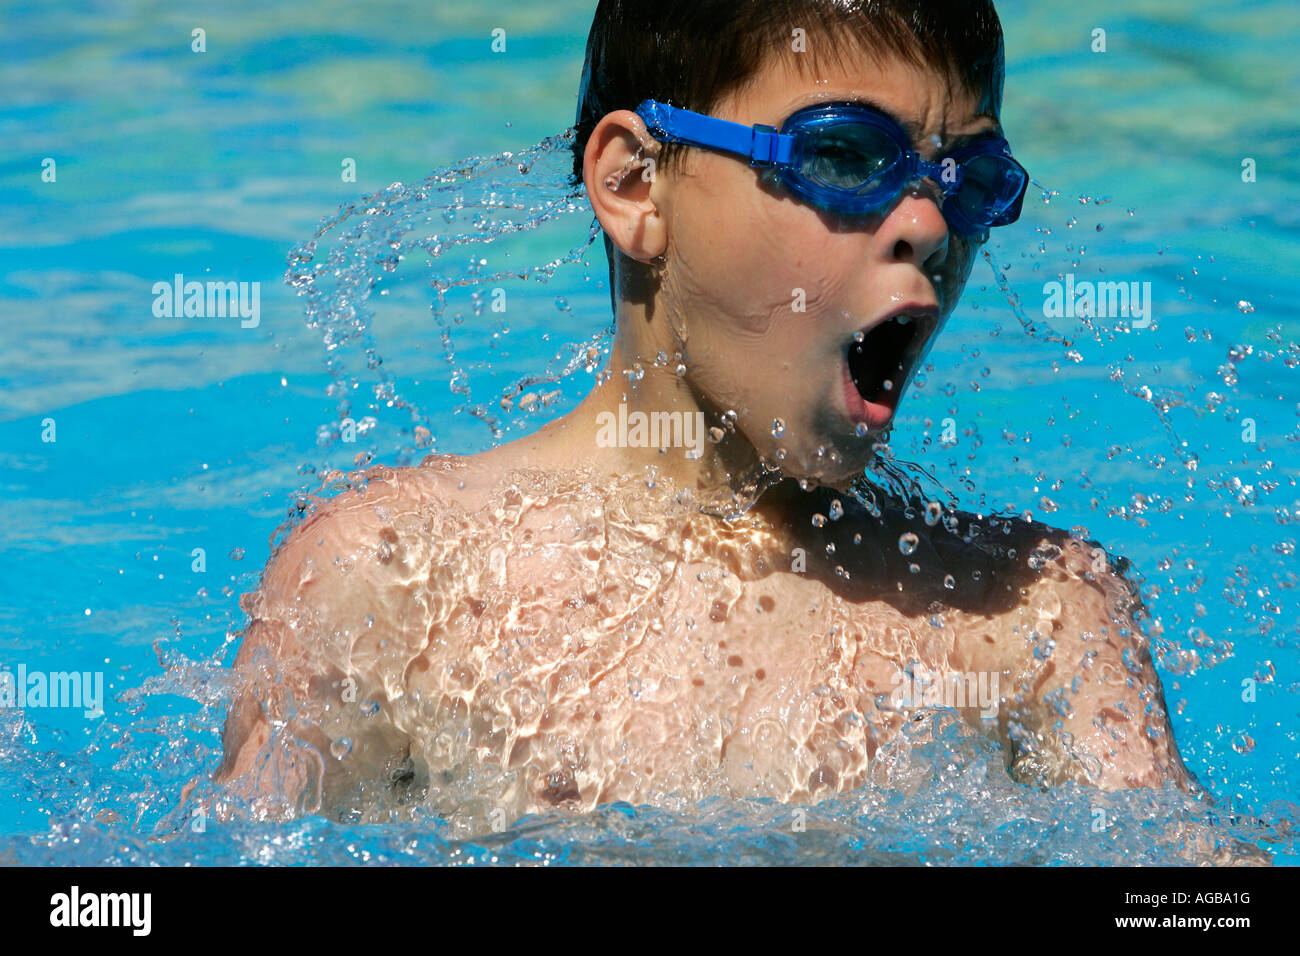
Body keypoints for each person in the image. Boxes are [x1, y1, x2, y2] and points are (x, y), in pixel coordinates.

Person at [215, 0, 1194, 825]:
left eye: (968, 180)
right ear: (636, 185)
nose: (931, 226)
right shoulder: (397, 586)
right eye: (847, 156)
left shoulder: (1031, 615)